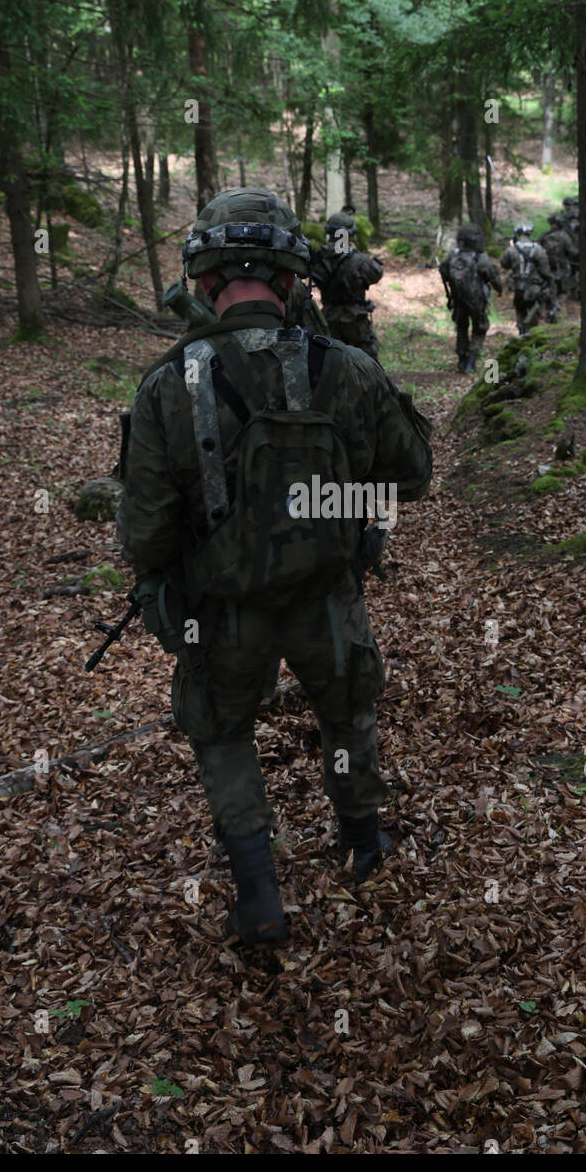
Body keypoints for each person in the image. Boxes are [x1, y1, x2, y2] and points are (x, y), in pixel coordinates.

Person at [116, 187, 433, 946]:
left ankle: (260, 896)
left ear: (204, 282)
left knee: (222, 732)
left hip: (222, 611)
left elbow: (147, 536)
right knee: (346, 712)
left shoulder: (169, 385)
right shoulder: (349, 367)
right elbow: (412, 477)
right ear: (293, 280)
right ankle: (363, 844)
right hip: (328, 595)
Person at [310, 208, 383, 359]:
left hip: (328, 318)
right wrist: (354, 253)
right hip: (355, 319)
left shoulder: (319, 259)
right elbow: (376, 273)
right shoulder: (357, 260)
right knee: (368, 362)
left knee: (331, 362)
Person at [439, 223, 503, 374]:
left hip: (458, 300)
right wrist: (500, 289)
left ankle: (461, 360)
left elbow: (443, 272)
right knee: (480, 328)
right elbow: (493, 277)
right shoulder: (481, 258)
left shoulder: (453, 255)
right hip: (476, 301)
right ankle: (471, 362)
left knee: (461, 327)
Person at [499, 224, 555, 334]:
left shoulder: (512, 249)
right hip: (534, 287)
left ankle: (522, 330)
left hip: (518, 287)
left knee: (520, 310)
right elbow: (545, 271)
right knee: (534, 310)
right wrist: (549, 282)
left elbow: (504, 264)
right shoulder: (538, 249)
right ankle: (529, 331)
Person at [537, 213, 575, 302]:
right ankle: (558, 303)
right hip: (562, 267)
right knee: (563, 291)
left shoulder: (544, 235)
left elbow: (537, 248)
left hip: (547, 267)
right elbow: (572, 251)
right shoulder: (564, 236)